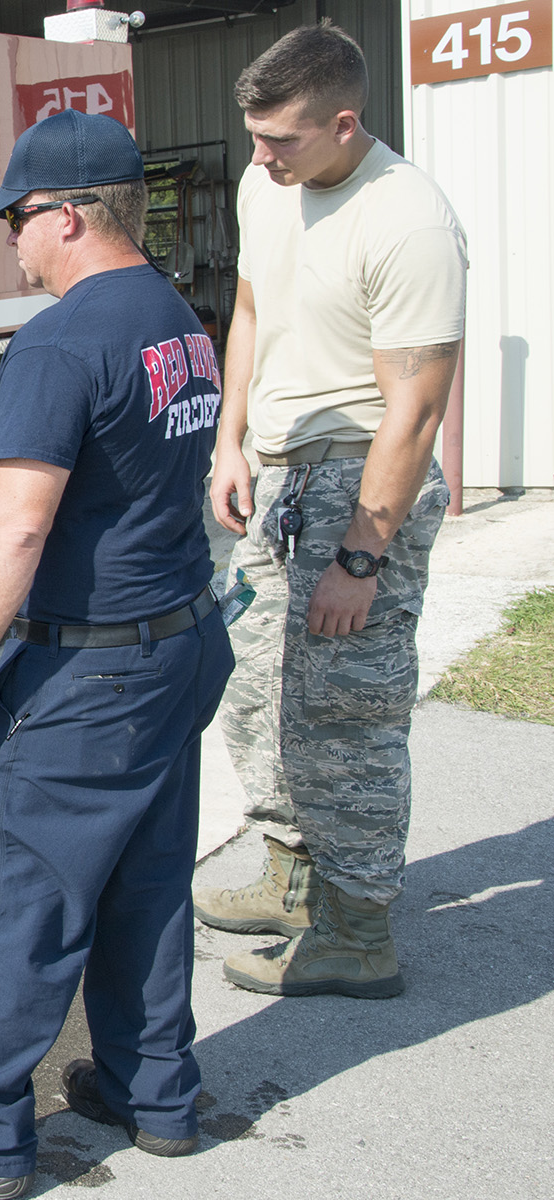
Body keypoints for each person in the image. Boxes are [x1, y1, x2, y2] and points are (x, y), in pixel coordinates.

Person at [0, 110, 235, 1199]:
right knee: (146, 879)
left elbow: (14, 525)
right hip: (177, 647)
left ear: (69, 215)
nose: (9, 240)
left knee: (21, 895)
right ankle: (153, 1091)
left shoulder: (61, 341)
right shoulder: (173, 315)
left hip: (92, 673)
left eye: (17, 218)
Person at [198, 21, 468, 1000]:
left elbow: (417, 408)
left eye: (283, 141)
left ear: (346, 123)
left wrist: (363, 556)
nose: (260, 157)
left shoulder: (407, 217)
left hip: (359, 482)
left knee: (346, 719)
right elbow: (253, 313)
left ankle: (357, 933)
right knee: (258, 691)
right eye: (255, 136)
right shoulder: (267, 187)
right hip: (275, 478)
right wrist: (232, 443)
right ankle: (293, 875)